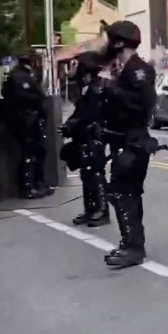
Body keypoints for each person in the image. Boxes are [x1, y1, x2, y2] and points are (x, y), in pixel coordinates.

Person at [99, 20, 157, 270]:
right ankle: (130, 243)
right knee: (121, 192)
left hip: (133, 141)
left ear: (119, 42)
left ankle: (133, 247)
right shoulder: (123, 69)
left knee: (125, 193)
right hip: (122, 139)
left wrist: (113, 91)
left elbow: (143, 104)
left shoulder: (138, 70)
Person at [61, 52, 110, 227]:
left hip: (93, 136)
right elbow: (80, 112)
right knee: (86, 173)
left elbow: (89, 115)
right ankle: (90, 209)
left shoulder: (95, 90)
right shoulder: (88, 90)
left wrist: (73, 124)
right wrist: (69, 124)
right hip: (85, 136)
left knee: (95, 172)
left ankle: (102, 210)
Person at [1, 52, 54, 199]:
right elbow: (24, 96)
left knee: (37, 151)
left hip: (27, 118)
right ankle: (29, 186)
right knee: (29, 152)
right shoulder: (20, 76)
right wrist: (38, 100)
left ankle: (36, 183)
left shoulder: (22, 75)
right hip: (26, 119)